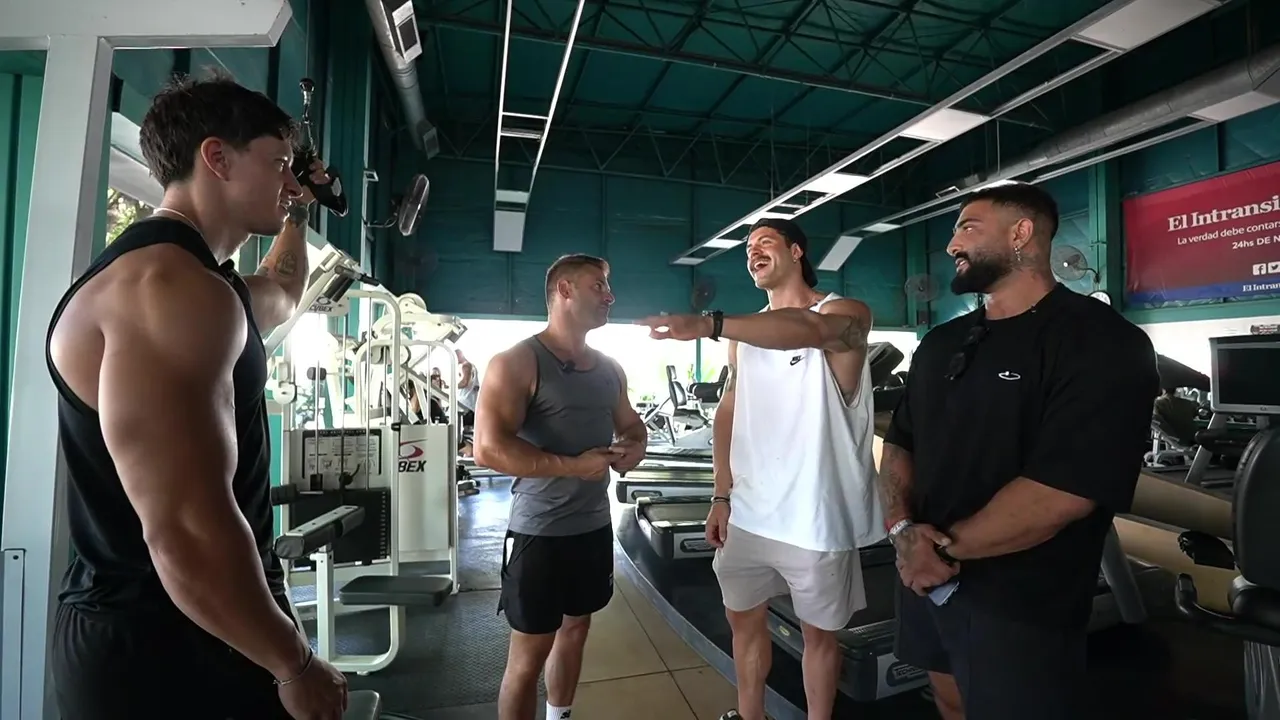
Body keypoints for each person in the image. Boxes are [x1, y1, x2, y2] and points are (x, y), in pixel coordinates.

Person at [46, 73, 349, 719]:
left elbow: (283, 291)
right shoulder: (167, 290)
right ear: (218, 158)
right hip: (165, 643)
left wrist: (298, 210)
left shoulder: (199, 283)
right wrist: (293, 663)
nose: (290, 182)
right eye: (279, 164)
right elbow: (185, 530)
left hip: (198, 622)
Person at [878, 182, 1158, 719]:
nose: (951, 245)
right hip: (922, 574)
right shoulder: (940, 343)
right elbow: (900, 445)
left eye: (967, 228)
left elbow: (1063, 492)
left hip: (1023, 599)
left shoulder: (1101, 341)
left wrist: (939, 553)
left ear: (1021, 233)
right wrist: (902, 532)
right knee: (948, 700)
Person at [635, 218, 883, 720]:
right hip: (749, 514)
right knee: (743, 624)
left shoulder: (845, 313)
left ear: (796, 251)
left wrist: (708, 324)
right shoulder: (742, 338)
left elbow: (809, 331)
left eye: (765, 242)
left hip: (815, 519)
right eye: (747, 248)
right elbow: (729, 410)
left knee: (819, 638)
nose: (753, 252)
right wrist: (720, 495)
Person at [472, 254, 649, 720]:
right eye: (599, 286)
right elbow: (487, 449)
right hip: (539, 533)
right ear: (565, 290)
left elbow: (632, 425)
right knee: (528, 655)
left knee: (576, 630)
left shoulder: (609, 368)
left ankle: (559, 716)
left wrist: (634, 447)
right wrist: (574, 467)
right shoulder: (517, 362)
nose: (610, 296)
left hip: (592, 529)